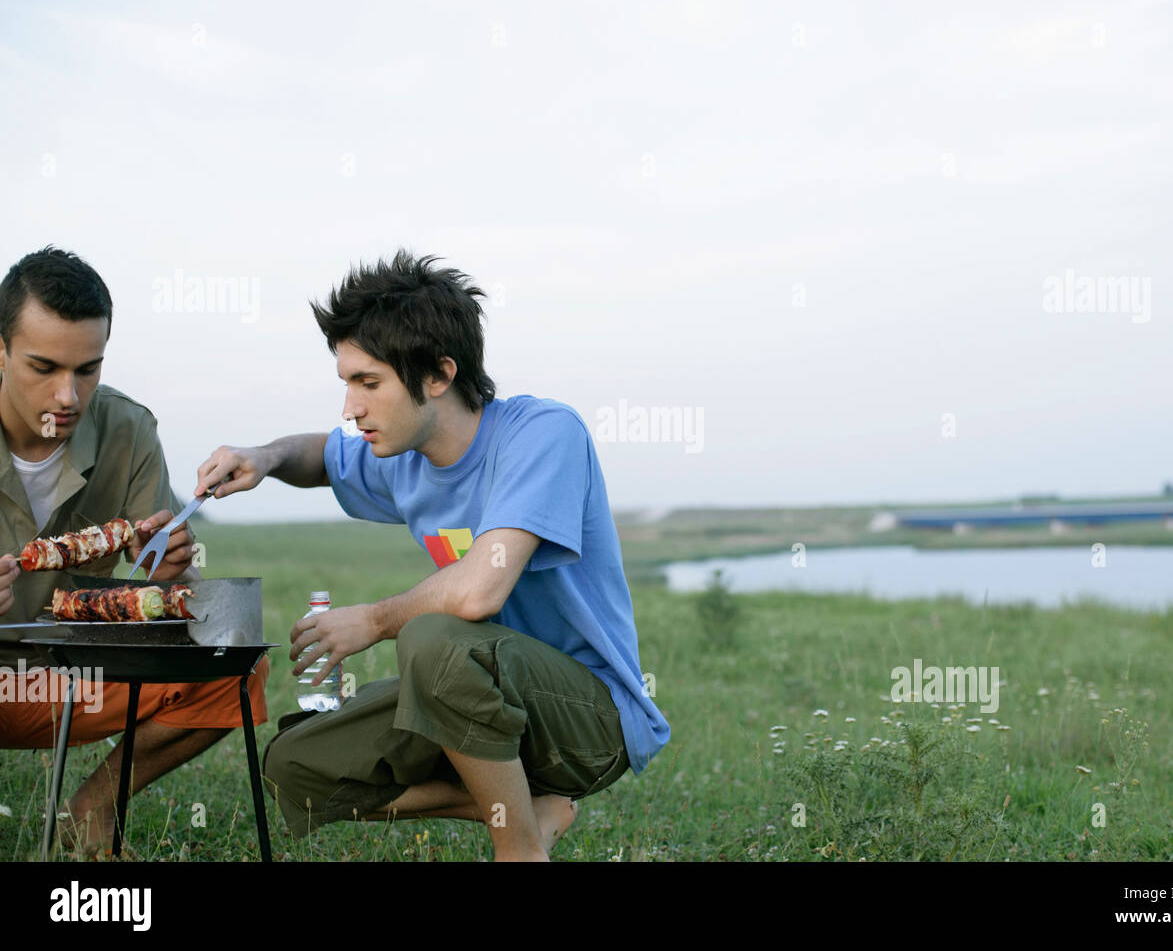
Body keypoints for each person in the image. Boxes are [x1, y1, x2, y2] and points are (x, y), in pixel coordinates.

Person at [195, 249, 670, 861]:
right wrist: (264, 457)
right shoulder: (404, 456)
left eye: (369, 383)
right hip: (477, 705)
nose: (350, 408)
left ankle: (519, 848)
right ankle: (530, 810)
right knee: (297, 765)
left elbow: (479, 591)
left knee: (433, 639)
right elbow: (323, 456)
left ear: (438, 375)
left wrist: (371, 620)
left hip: (587, 722)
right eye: (346, 383)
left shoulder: (544, 434)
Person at [0, 246, 270, 858]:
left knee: (237, 670)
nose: (68, 396)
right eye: (43, 367)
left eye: (87, 369)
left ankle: (94, 808)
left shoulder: (128, 429)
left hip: (67, 674)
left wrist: (166, 568)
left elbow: (155, 578)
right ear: (0, 350)